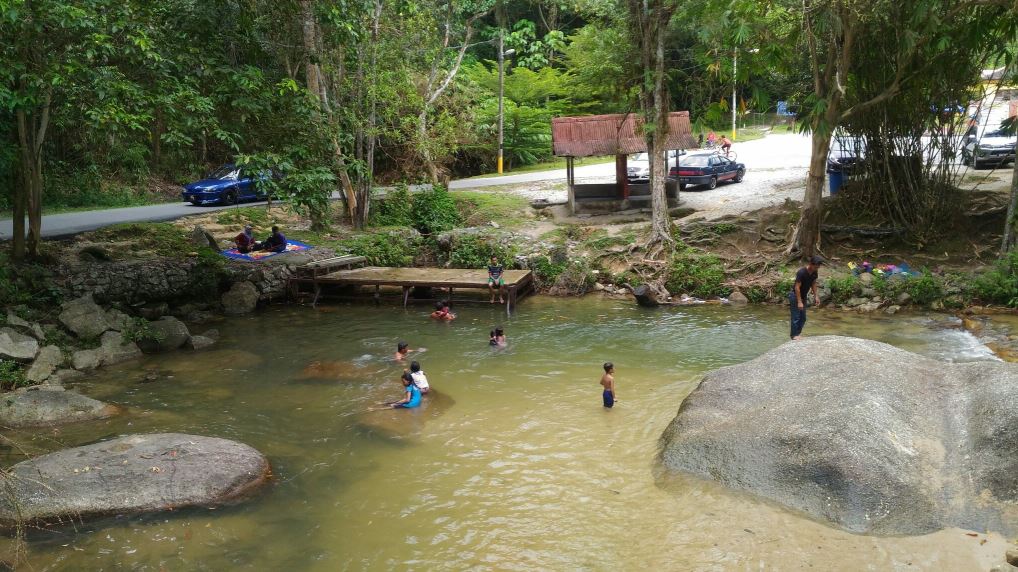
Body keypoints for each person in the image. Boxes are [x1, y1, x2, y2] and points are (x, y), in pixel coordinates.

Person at [789, 255, 824, 340]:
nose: (817, 268)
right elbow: (797, 287)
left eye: (818, 267)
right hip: (795, 296)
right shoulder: (801, 272)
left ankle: (797, 334)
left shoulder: (814, 272)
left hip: (803, 296)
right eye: (816, 266)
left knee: (803, 318)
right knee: (796, 317)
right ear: (811, 264)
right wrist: (799, 301)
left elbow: (813, 283)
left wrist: (816, 296)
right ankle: (794, 335)